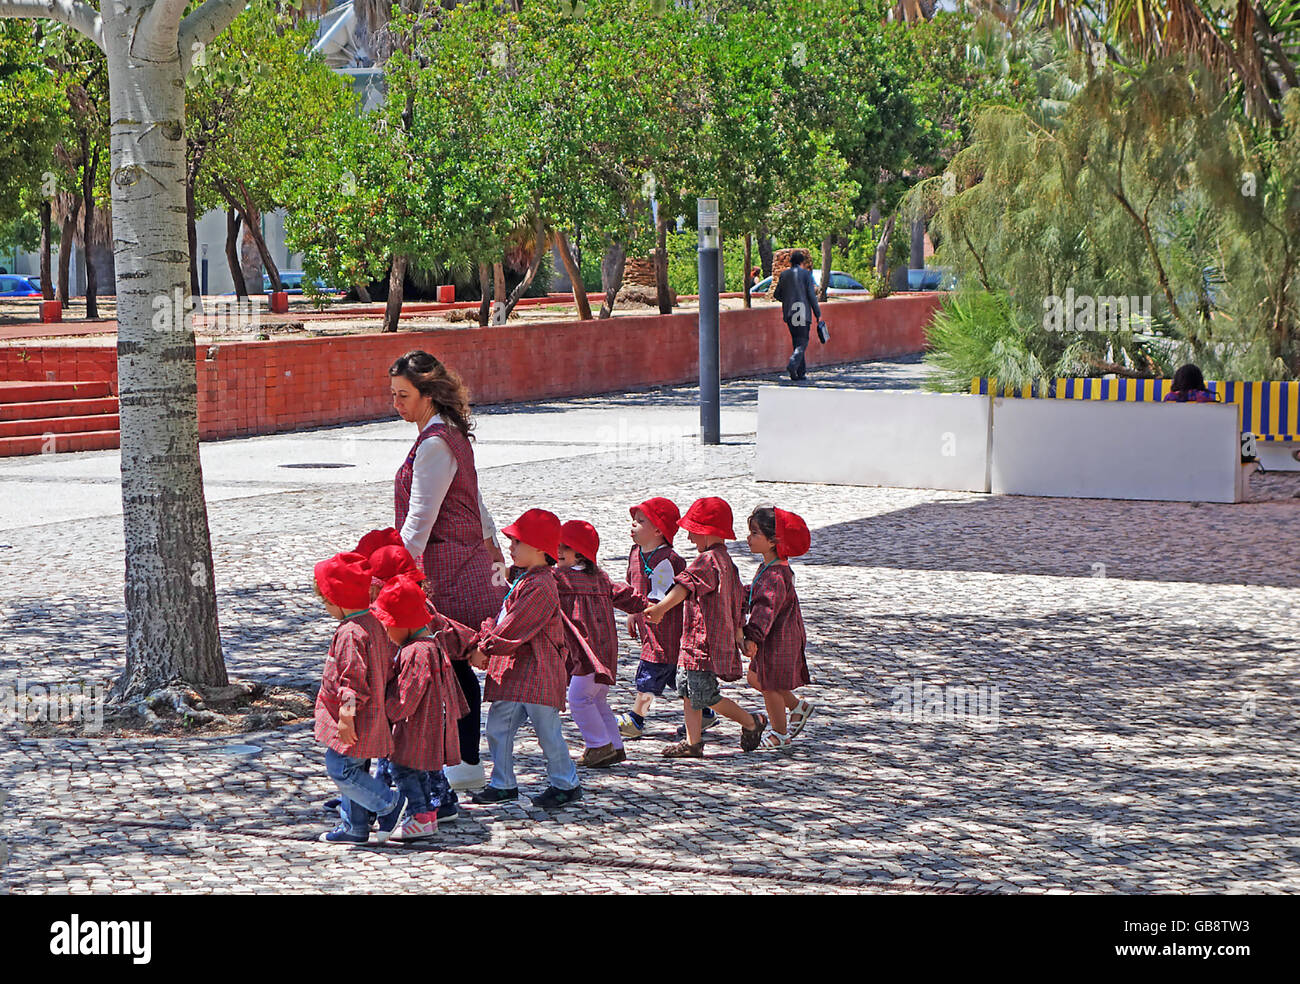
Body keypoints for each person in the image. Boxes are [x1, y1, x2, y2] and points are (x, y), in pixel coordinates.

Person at [390, 350, 507, 791]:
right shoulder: (447, 433)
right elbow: (475, 500)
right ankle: (463, 762)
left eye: (404, 395)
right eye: (394, 395)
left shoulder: (436, 444)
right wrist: (491, 540)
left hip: (448, 568)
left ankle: (463, 763)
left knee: (456, 666)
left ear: (428, 394)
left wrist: (391, 572)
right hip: (462, 559)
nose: (396, 404)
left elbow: (419, 520)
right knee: (457, 665)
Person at [467, 509, 583, 810]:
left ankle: (565, 783)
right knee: (497, 727)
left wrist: (486, 647)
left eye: (517, 542)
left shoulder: (541, 585)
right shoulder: (526, 579)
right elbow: (506, 618)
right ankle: (503, 783)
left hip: (539, 672)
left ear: (538, 548)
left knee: (548, 732)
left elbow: (515, 625)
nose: (510, 547)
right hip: (516, 672)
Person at [643, 497, 768, 757]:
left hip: (703, 643)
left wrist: (660, 609)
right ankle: (693, 742)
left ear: (708, 532)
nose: (689, 538)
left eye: (693, 531)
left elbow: (683, 587)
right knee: (688, 691)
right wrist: (739, 633)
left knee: (705, 695)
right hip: (695, 643)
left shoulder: (707, 560)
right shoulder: (726, 562)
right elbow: (736, 602)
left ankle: (750, 721)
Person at [312, 551, 405, 845]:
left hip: (357, 720)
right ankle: (355, 826)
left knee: (340, 768)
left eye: (326, 602)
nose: (325, 608)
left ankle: (389, 804)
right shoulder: (374, 622)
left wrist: (345, 718)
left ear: (339, 601)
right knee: (357, 769)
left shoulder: (350, 633)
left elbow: (352, 682)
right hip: (372, 715)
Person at [372, 574, 473, 842]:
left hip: (417, 726)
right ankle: (425, 814)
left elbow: (408, 695)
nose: (386, 633)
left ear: (403, 623)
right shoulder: (431, 644)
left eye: (388, 625)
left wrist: (386, 714)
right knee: (418, 773)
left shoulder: (415, 651)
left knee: (402, 769)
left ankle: (420, 816)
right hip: (429, 722)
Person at [555, 519, 646, 767]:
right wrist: (649, 605)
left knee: (578, 699)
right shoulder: (601, 578)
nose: (559, 551)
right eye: (557, 546)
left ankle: (598, 745)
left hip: (584, 653)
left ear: (581, 553)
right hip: (605, 653)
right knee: (597, 701)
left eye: (566, 546)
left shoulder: (559, 579)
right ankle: (615, 747)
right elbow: (626, 595)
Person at [616, 497, 700, 739]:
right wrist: (632, 611)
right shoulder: (635, 553)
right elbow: (633, 585)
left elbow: (677, 594)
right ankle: (704, 712)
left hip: (666, 631)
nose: (633, 524)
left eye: (640, 521)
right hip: (647, 629)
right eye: (633, 520)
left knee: (648, 676)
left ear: (658, 530)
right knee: (676, 679)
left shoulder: (671, 560)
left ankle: (636, 718)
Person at [742, 507, 814, 750]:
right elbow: (756, 594)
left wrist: (752, 636)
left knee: (767, 683)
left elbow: (766, 608)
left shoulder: (775, 574)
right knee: (755, 677)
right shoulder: (770, 566)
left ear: (773, 540)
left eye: (754, 533)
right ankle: (796, 707)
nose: (748, 538)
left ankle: (780, 733)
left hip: (777, 637)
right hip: (777, 634)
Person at [772, 250, 821, 381]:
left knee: (797, 341)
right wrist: (818, 314)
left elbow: (776, 294)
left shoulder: (784, 275)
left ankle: (800, 373)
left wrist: (787, 299)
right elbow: (811, 295)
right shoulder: (806, 275)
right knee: (803, 341)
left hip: (790, 312)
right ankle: (793, 363)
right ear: (801, 262)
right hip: (803, 311)